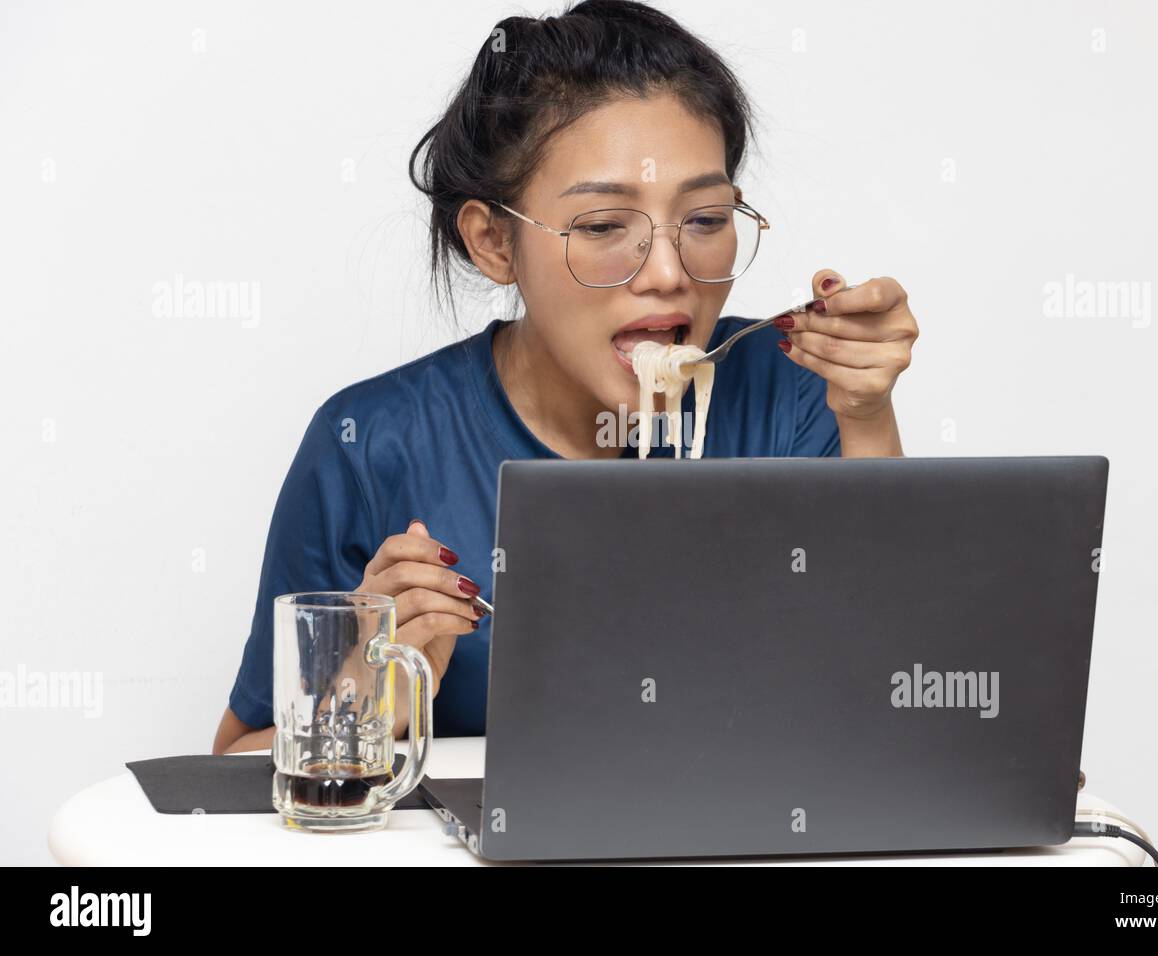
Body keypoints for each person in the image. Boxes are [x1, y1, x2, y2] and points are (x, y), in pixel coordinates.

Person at [213, 0, 919, 755]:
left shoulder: (791, 389)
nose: (670, 274)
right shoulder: (368, 445)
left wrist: (867, 415)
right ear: (493, 242)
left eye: (707, 219)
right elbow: (236, 758)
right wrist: (364, 703)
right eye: (605, 226)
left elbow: (893, 706)